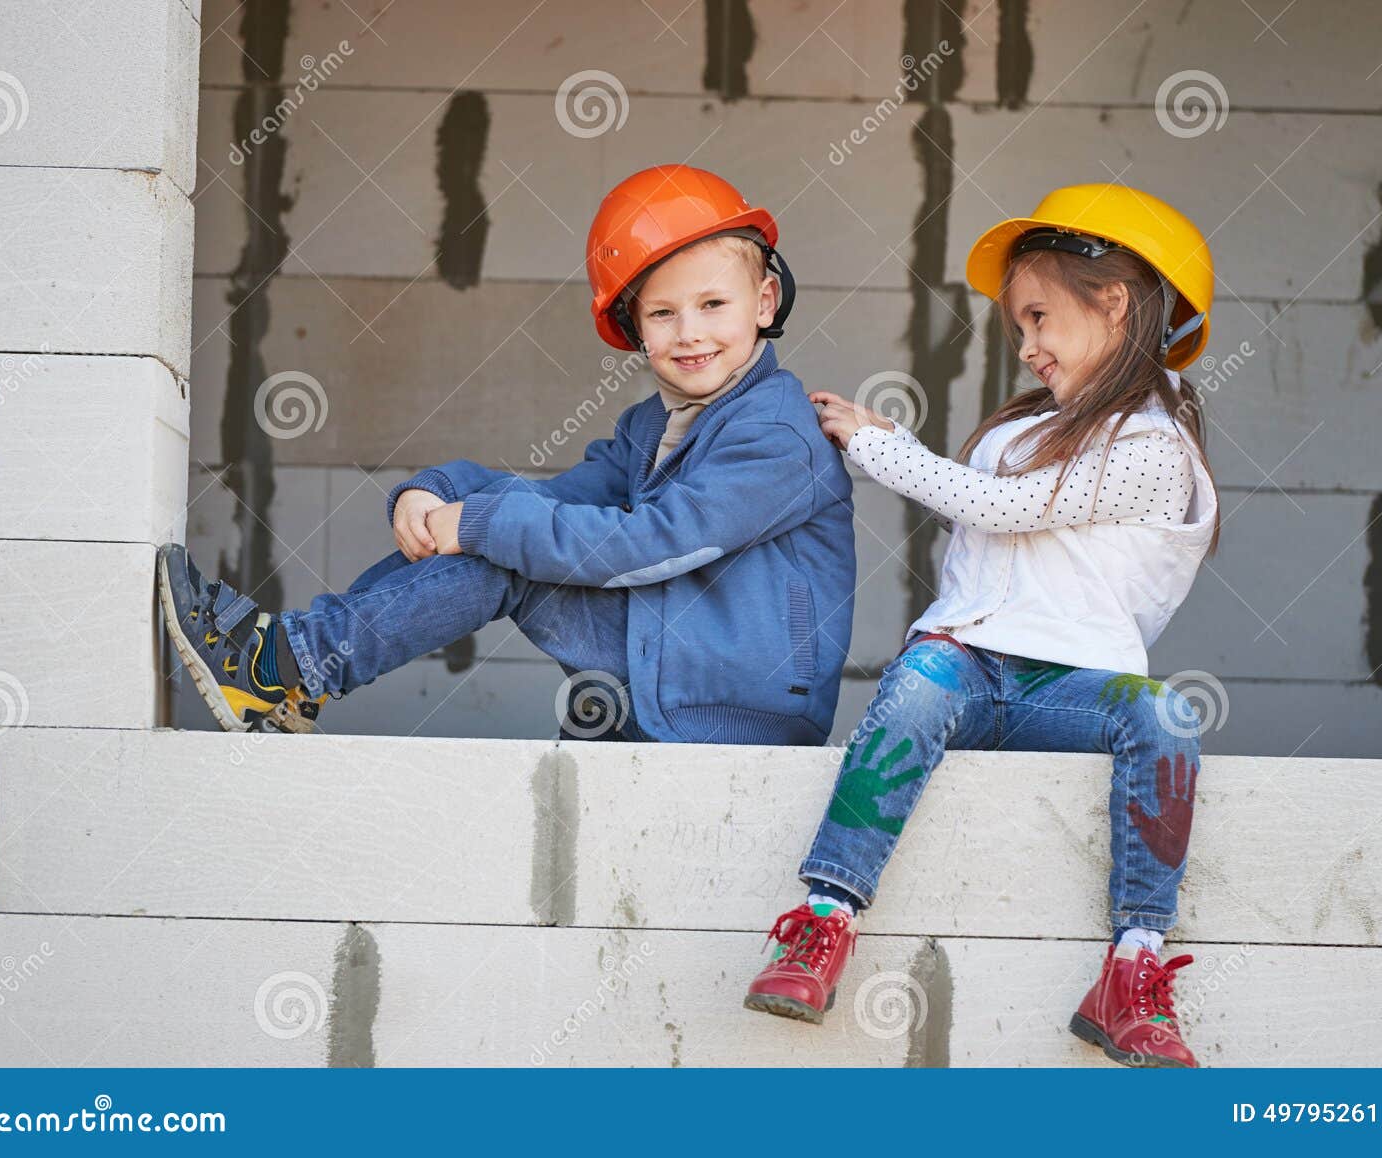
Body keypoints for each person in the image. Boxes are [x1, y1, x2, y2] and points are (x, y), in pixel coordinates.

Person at [743, 184, 1223, 1068]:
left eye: (1039, 318)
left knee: (1165, 716)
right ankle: (823, 921)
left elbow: (1001, 511)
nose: (1028, 346)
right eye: (1019, 330)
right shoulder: (1031, 427)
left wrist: (878, 442)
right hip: (968, 663)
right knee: (920, 685)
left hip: (1071, 691)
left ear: (1113, 300)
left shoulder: (1154, 449)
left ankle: (1134, 966)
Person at [158, 164, 855, 746]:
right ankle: (288, 679)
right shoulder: (652, 424)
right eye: (663, 313)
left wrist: (482, 525)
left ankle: (281, 666)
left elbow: (657, 543)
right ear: (632, 327)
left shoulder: (777, 432)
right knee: (506, 533)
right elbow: (557, 498)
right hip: (665, 664)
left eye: (712, 304)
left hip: (739, 708)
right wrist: (440, 490)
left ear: (764, 301)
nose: (689, 332)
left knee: (504, 550)